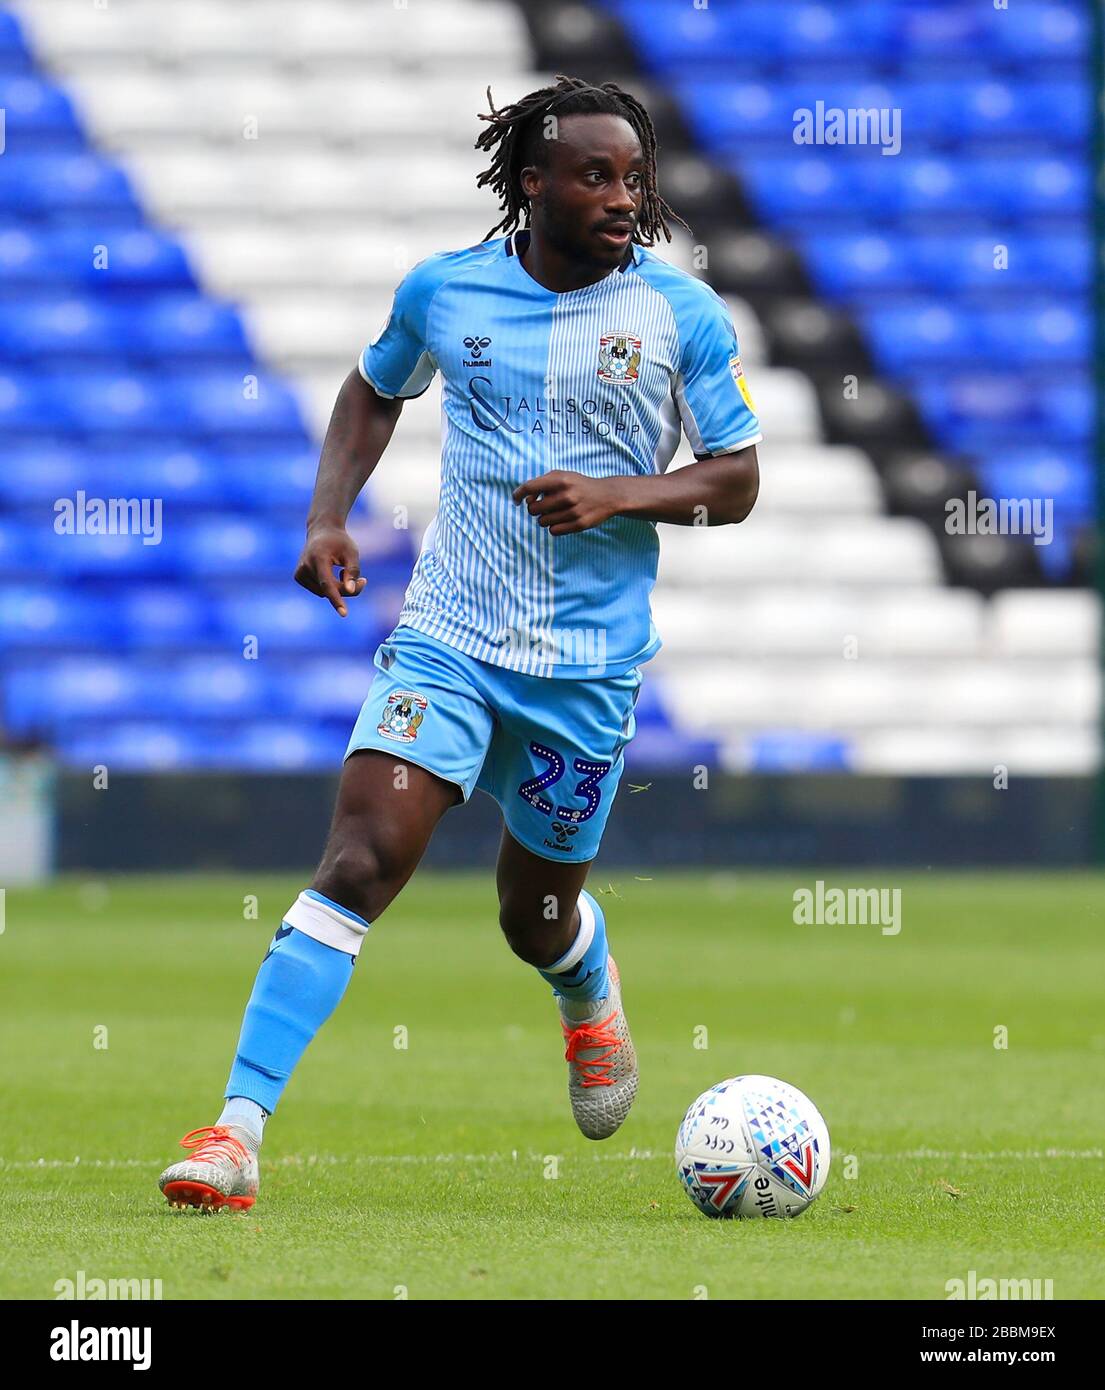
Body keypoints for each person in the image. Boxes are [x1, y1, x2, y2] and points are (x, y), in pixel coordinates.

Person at [159, 75, 761, 1210]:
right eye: (594, 176)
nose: (623, 197)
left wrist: (619, 495)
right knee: (358, 862)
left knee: (529, 919)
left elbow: (735, 482)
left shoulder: (681, 315)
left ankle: (583, 982)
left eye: (634, 177)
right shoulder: (446, 293)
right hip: (449, 643)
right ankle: (233, 1134)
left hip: (585, 675)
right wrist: (327, 515)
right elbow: (372, 388)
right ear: (531, 185)